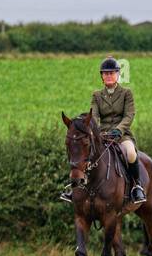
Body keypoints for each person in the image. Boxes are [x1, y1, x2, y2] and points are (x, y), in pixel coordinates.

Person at [61, 57, 145, 204]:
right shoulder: (97, 95)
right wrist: (93, 130)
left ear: (118, 75)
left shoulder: (126, 93)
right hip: (102, 135)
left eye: (112, 73)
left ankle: (136, 186)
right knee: (84, 153)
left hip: (122, 135)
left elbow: (129, 115)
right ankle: (75, 187)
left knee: (131, 153)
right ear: (102, 76)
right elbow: (93, 116)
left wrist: (119, 130)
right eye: (105, 73)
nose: (109, 76)